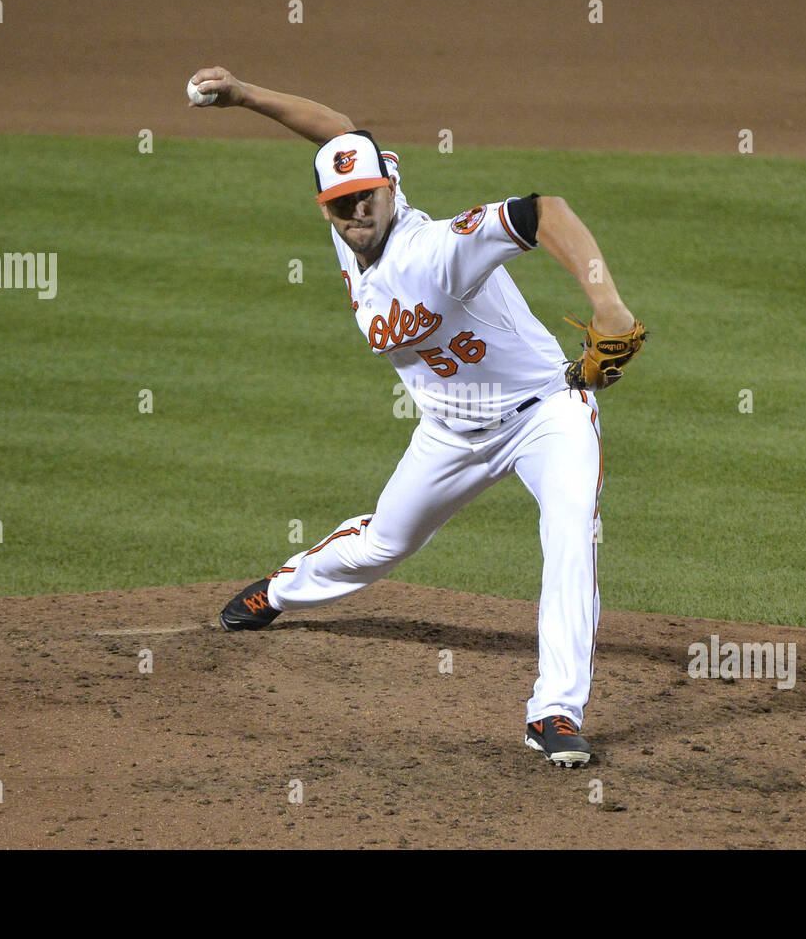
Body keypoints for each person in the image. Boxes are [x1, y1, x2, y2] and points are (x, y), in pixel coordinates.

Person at [189, 66, 646, 768]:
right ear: (326, 210)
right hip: (448, 431)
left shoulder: (438, 249)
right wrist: (248, 96)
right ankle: (281, 590)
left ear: (392, 189)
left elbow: (544, 210)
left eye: (368, 198)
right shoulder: (349, 232)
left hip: (546, 414)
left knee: (569, 538)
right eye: (343, 205)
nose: (359, 215)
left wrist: (608, 305)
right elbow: (341, 133)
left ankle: (554, 711)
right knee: (381, 546)